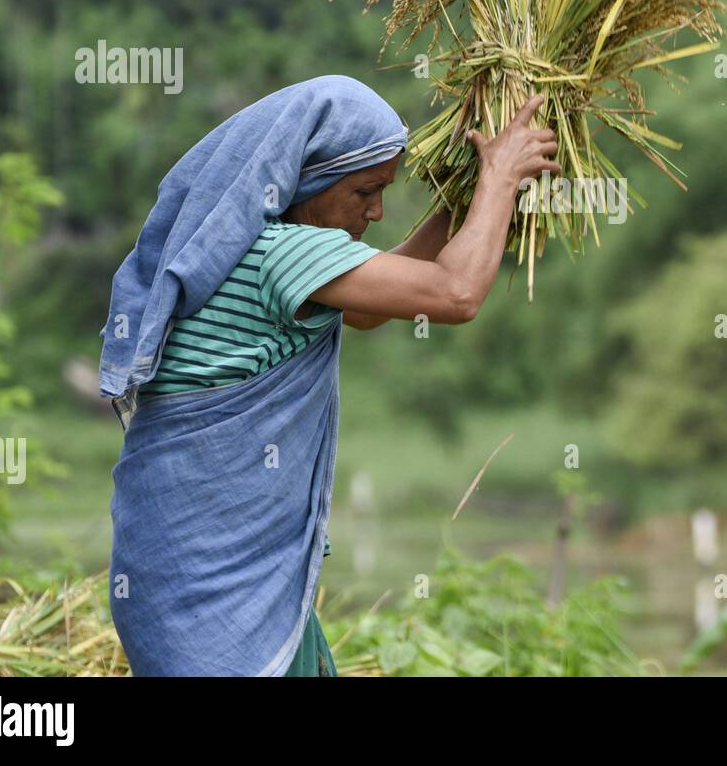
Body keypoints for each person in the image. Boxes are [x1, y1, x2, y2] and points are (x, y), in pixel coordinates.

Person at [100, 75, 558, 676]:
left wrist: (472, 198)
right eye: (365, 191)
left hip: (178, 579)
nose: (378, 211)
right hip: (216, 587)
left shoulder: (253, 250)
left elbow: (369, 307)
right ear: (307, 183)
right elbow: (456, 294)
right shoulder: (287, 252)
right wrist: (499, 182)